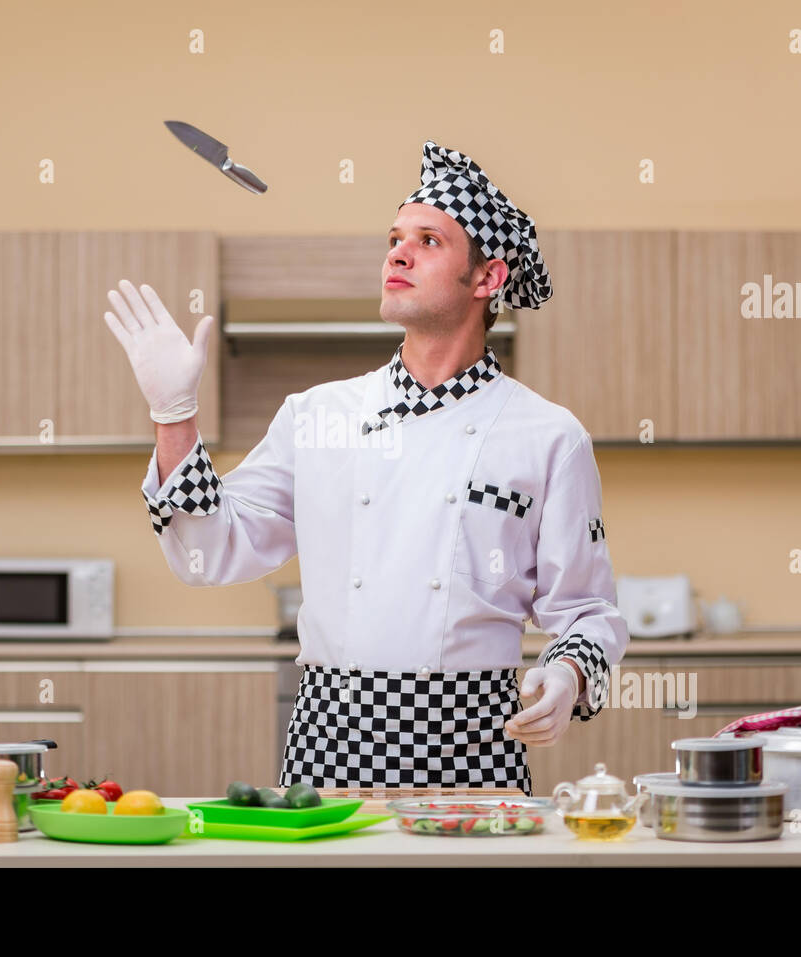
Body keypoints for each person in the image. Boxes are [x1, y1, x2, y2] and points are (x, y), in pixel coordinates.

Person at [104, 140, 629, 795]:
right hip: (329, 747)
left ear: (488, 279)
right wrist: (175, 413)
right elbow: (208, 550)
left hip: (475, 751)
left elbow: (588, 610)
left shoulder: (550, 436)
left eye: (429, 240)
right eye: (394, 238)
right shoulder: (316, 415)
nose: (398, 253)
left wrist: (568, 673)